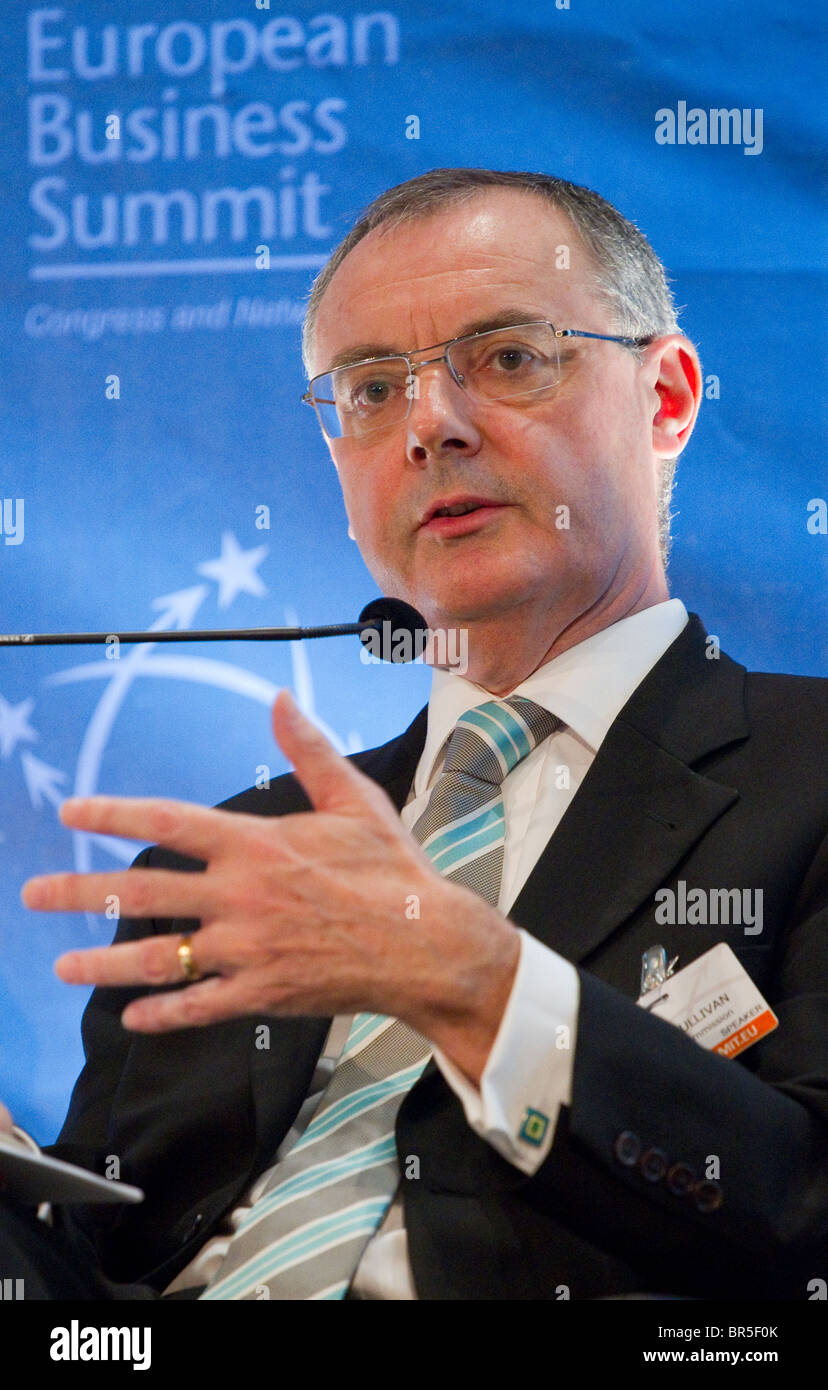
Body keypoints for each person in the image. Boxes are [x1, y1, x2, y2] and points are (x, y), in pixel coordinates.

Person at [6, 167, 827, 1301]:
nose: (429, 425)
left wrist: (471, 980)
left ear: (668, 397)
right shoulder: (234, 870)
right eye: (372, 387)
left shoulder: (810, 771)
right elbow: (92, 1293)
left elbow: (805, 1209)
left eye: (507, 358)